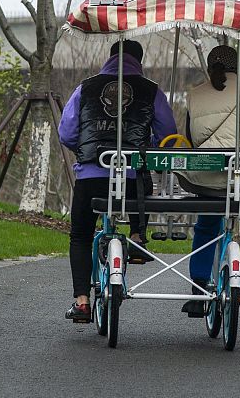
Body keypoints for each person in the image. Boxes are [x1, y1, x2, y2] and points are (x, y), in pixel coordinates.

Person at [58, 39, 176, 322]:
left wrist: (86, 150)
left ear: (109, 58)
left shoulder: (85, 88)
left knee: (81, 235)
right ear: (139, 61)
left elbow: (66, 133)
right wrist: (147, 146)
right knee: (140, 187)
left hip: (92, 175)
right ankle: (136, 237)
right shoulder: (151, 91)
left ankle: (82, 302)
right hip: (133, 179)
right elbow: (168, 135)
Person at [179, 44, 240, 317]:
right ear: (238, 67)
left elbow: (191, 138)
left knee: (207, 225)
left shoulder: (195, 95)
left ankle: (199, 290)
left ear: (210, 67)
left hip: (211, 180)